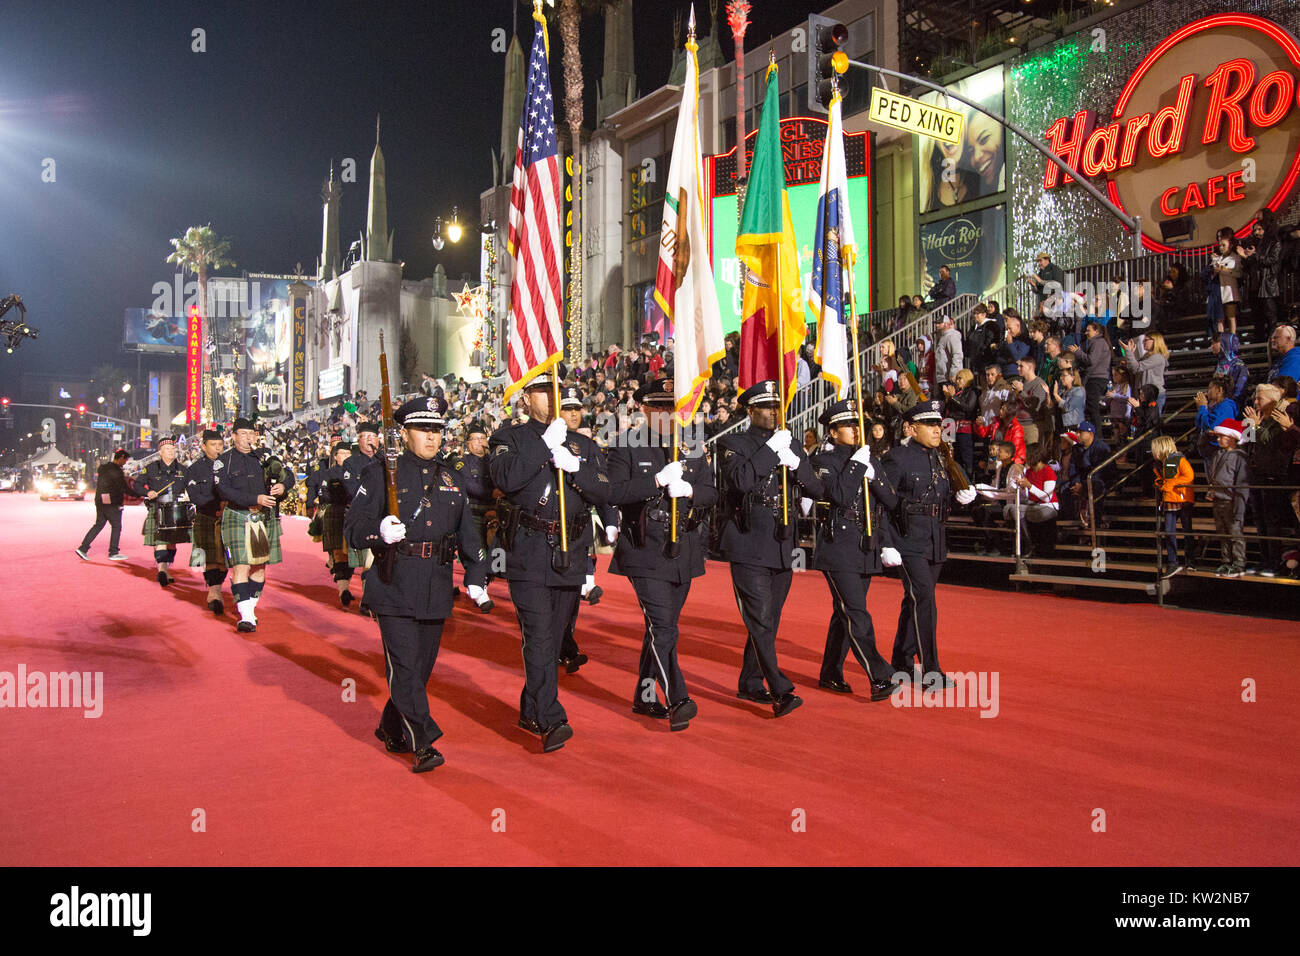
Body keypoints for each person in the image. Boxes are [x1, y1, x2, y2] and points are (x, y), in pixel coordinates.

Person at [344, 395, 489, 773]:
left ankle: (391, 727)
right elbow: (353, 529)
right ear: (405, 432)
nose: (432, 437)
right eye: (424, 429)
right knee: (405, 668)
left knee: (420, 671)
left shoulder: (450, 477)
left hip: (436, 584)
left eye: (438, 430)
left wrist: (476, 577)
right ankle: (422, 741)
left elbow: (467, 535)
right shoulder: (381, 474)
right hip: (394, 582)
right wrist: (378, 530)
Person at [488, 367, 618, 753]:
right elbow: (507, 479)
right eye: (544, 391)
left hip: (571, 549)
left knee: (555, 636)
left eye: (557, 390)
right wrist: (545, 445)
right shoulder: (507, 438)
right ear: (526, 399)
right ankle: (550, 716)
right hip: (528, 549)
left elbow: (603, 491)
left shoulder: (585, 445)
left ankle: (530, 708)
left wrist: (576, 468)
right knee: (540, 637)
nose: (552, 397)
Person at [606, 376, 715, 730]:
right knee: (664, 626)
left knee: (660, 628)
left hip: (682, 549)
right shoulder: (626, 445)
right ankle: (678, 697)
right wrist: (654, 482)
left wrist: (691, 491)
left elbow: (713, 493)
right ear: (644, 408)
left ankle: (645, 695)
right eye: (659, 407)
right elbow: (614, 493)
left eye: (672, 406)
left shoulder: (692, 446)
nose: (667, 413)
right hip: (643, 549)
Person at [717, 380, 819, 718]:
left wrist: (796, 462)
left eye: (777, 406)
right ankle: (780, 689)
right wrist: (771, 451)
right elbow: (740, 481)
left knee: (769, 621)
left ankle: (749, 681)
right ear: (750, 410)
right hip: (748, 540)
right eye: (766, 406)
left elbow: (816, 487)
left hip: (782, 541)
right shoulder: (734, 442)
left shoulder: (788, 443)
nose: (774, 411)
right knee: (759, 618)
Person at [803, 399, 901, 701]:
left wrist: (872, 473)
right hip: (839, 546)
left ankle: (831, 672)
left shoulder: (868, 456)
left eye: (857, 424)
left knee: (844, 613)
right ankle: (879, 675)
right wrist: (858, 465)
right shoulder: (823, 461)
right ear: (832, 433)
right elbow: (841, 496)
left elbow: (891, 500)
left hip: (866, 544)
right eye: (848, 425)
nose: (856, 430)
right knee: (857, 613)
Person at [882, 400, 977, 688]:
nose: (938, 430)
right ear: (912, 428)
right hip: (907, 538)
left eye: (939, 424)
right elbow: (882, 504)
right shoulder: (896, 458)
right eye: (930, 425)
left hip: (935, 538)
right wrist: (887, 543)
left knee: (914, 600)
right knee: (925, 599)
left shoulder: (941, 458)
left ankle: (901, 660)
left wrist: (963, 500)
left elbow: (942, 497)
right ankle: (931, 670)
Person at [217, 417, 288, 633]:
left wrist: (283, 486)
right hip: (237, 515)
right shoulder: (223, 461)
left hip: (262, 517)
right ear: (234, 435)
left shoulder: (264, 457)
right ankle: (246, 616)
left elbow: (288, 475)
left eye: (252, 434)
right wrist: (254, 499)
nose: (249, 438)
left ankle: (250, 607)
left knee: (258, 567)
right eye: (244, 434)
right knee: (241, 565)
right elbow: (224, 491)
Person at [132, 435, 190, 587]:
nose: (171, 452)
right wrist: (147, 493)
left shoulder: (183, 470)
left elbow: (190, 488)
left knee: (172, 544)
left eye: (172, 449)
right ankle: (162, 569)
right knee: (162, 542)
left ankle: (165, 568)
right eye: (167, 449)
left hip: (178, 509)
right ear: (160, 452)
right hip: (157, 508)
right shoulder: (150, 468)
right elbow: (137, 485)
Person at [185, 429, 230, 615]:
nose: (218, 448)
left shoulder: (230, 466)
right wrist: (215, 505)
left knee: (227, 559)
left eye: (220, 445)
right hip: (207, 516)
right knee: (211, 557)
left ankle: (220, 587)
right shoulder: (194, 469)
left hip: (228, 516)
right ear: (204, 447)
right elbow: (195, 495)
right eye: (213, 445)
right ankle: (214, 592)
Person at [1205, 418, 1250, 578]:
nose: (1218, 439)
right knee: (1222, 533)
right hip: (1218, 498)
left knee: (1235, 533)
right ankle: (1226, 561)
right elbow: (1203, 446)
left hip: (1232, 499)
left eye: (1221, 436)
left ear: (1232, 437)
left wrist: (1239, 506)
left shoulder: (1240, 456)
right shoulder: (1218, 454)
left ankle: (1239, 563)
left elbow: (1242, 484)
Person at [318, 440, 356, 605]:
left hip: (352, 513)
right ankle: (343, 590)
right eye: (342, 454)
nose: (346, 457)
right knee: (339, 553)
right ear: (335, 456)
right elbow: (324, 494)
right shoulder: (328, 474)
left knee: (351, 554)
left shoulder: (357, 471)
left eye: (348, 454)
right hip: (335, 512)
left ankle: (345, 587)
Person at [75, 448, 131, 561]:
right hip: (112, 502)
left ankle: (83, 548)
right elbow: (123, 487)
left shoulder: (104, 468)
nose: (125, 463)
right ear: (121, 458)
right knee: (116, 526)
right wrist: (138, 494)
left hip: (100, 500)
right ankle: (113, 552)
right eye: (125, 460)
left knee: (99, 524)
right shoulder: (116, 471)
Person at [1151, 435, 1195, 575]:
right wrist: (1160, 483)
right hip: (1169, 499)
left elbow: (1189, 476)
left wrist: (1170, 484)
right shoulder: (1159, 463)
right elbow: (1160, 478)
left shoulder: (1179, 459)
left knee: (1187, 531)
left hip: (1182, 499)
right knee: (1170, 532)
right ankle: (1172, 562)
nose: (1153, 453)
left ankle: (1190, 561)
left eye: (1155, 449)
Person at [1070, 320, 1112, 430]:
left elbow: (1092, 360)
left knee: (1092, 407)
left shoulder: (1098, 343)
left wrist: (1078, 352)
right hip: (1096, 377)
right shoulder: (1096, 342)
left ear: (1096, 331)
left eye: (1089, 331)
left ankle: (1097, 433)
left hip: (1096, 378)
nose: (1086, 333)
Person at [933, 313, 963, 385]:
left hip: (950, 378)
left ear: (946, 324)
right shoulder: (942, 337)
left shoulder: (952, 336)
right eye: (936, 323)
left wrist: (954, 372)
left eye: (939, 323)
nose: (937, 325)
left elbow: (957, 354)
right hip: (943, 377)